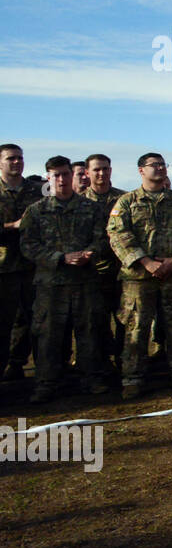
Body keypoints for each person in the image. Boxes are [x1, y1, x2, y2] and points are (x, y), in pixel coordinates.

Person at [107, 153, 172, 400]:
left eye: (163, 165)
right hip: (138, 277)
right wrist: (146, 262)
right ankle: (133, 377)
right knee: (136, 327)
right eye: (154, 165)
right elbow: (118, 235)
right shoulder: (126, 202)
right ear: (141, 170)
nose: (160, 169)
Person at [20, 156, 110, 403]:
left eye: (65, 174)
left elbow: (103, 239)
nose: (61, 179)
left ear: (73, 176)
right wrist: (60, 258)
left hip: (85, 282)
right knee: (48, 335)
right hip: (51, 285)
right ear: (48, 178)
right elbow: (28, 246)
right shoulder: (36, 211)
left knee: (90, 332)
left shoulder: (90, 208)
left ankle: (91, 378)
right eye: (56, 175)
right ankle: (47, 383)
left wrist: (90, 253)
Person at [0, 144, 42, 382]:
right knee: (3, 325)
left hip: (33, 268)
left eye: (20, 158)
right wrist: (11, 226)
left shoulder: (37, 191)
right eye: (11, 159)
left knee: (36, 323)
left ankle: (25, 368)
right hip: (4, 270)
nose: (16, 162)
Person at [83, 153, 126, 377]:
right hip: (92, 274)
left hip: (122, 272)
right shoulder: (80, 201)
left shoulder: (124, 199)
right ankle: (101, 367)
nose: (102, 173)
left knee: (126, 322)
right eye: (97, 169)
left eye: (106, 169)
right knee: (95, 323)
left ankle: (124, 362)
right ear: (87, 172)